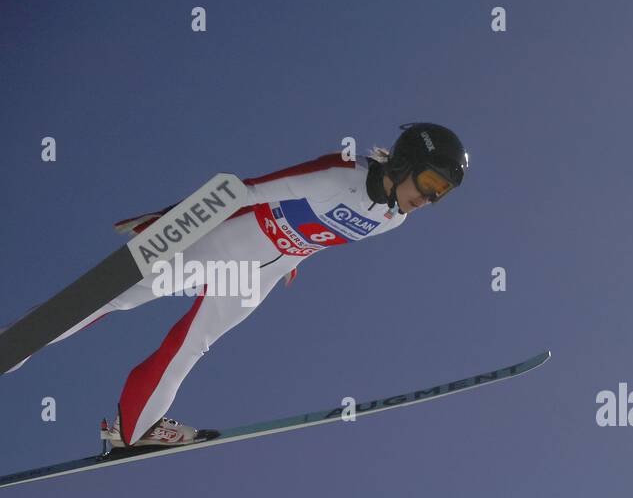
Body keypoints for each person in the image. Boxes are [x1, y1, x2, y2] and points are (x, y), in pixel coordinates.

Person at [2, 123, 468, 449]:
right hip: (224, 241)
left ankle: (133, 430)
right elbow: (242, 190)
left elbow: (323, 233)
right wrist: (172, 221)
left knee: (192, 344)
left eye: (441, 194)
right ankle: (12, 345)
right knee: (117, 297)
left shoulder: (392, 221)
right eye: (429, 182)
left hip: (257, 275)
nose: (428, 199)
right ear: (406, 160)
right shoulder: (339, 175)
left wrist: (293, 256)